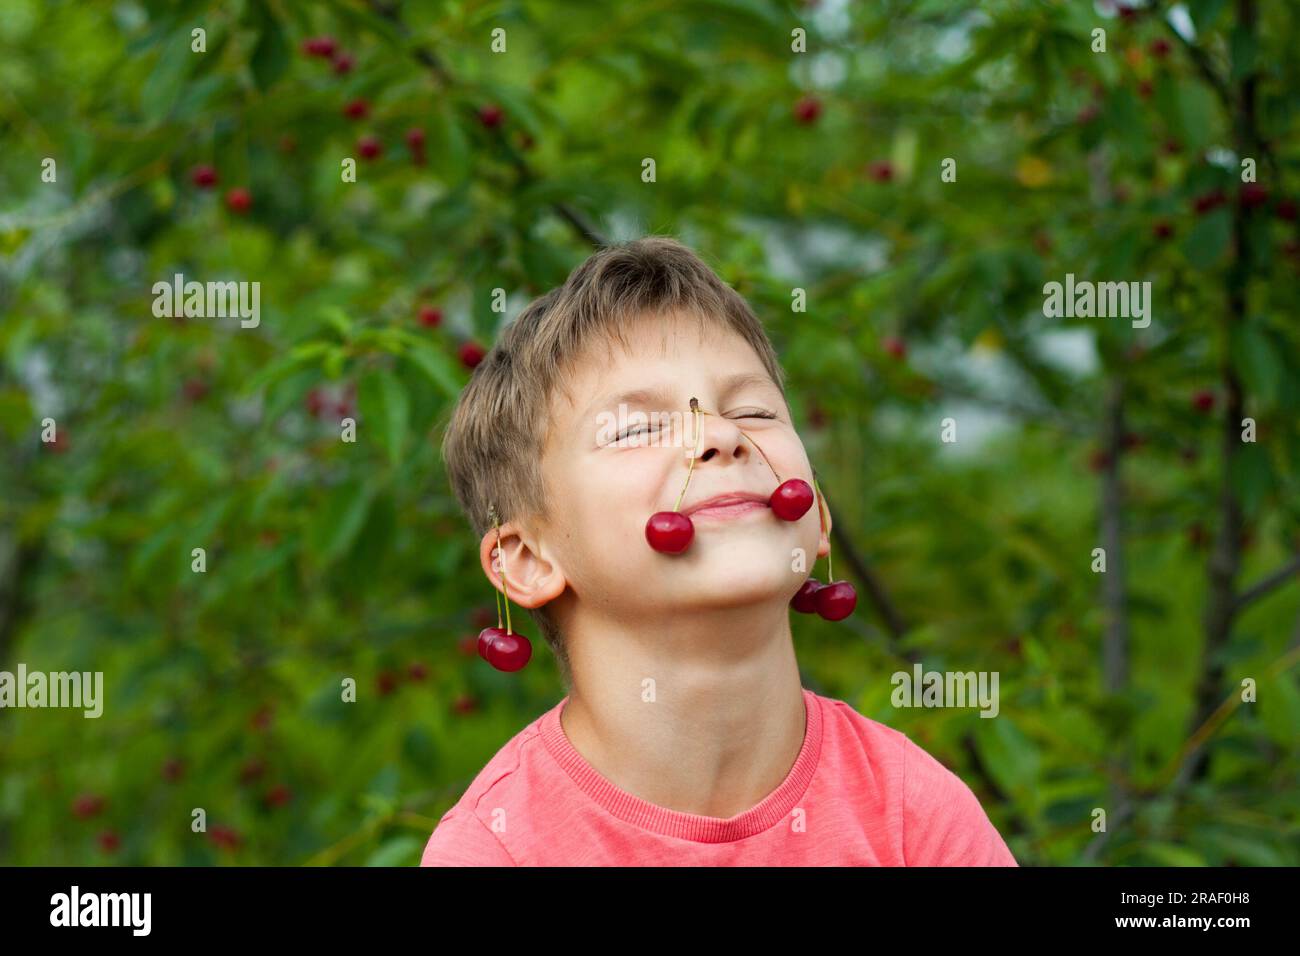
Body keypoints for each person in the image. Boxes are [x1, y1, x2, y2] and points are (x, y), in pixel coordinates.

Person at [422, 236, 1017, 866]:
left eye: (755, 410)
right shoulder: (497, 849)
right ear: (526, 560)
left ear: (817, 515)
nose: (720, 434)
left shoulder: (911, 810)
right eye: (637, 428)